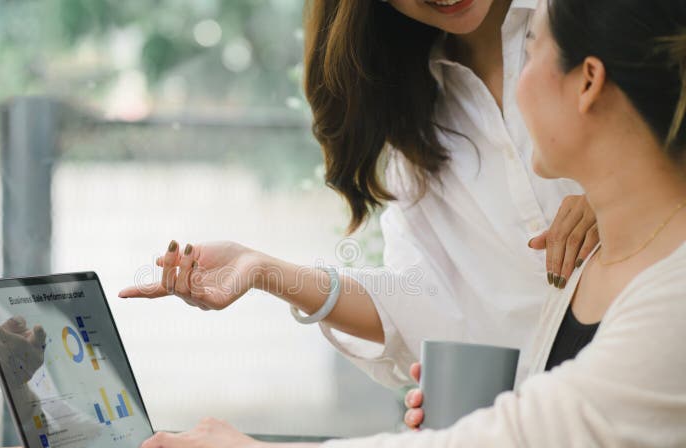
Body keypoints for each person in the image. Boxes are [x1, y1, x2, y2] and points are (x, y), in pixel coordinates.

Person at [130, 1, 686, 448]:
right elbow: (434, 309)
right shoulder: (416, 107)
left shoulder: (667, 288)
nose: (516, 87)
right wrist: (267, 271)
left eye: (532, 50)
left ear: (589, 81)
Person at [119, 0, 597, 402]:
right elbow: (421, 303)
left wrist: (628, 195)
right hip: (522, 440)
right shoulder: (412, 109)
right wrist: (262, 269)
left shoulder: (606, 25)